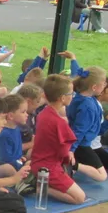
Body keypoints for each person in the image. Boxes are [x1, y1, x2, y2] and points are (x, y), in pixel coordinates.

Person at [28, 75, 93, 205]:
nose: (73, 95)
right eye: (71, 93)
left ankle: (38, 182)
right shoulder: (59, 122)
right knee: (79, 198)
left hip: (38, 162)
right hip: (49, 168)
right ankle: (38, 186)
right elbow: (64, 153)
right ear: (62, 98)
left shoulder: (43, 113)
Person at [67, 66, 108, 179]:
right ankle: (73, 165)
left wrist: (106, 124)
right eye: (103, 84)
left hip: (83, 143)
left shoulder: (85, 99)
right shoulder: (87, 106)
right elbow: (78, 131)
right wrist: (71, 150)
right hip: (81, 145)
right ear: (94, 87)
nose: (104, 86)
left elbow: (93, 128)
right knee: (102, 176)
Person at [0, 94, 28, 177]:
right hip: (4, 169)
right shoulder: (4, 135)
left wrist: (21, 159)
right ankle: (19, 184)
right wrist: (20, 163)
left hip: (17, 164)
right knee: (8, 168)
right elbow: (5, 160)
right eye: (23, 112)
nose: (26, 114)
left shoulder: (16, 129)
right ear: (10, 115)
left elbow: (16, 153)